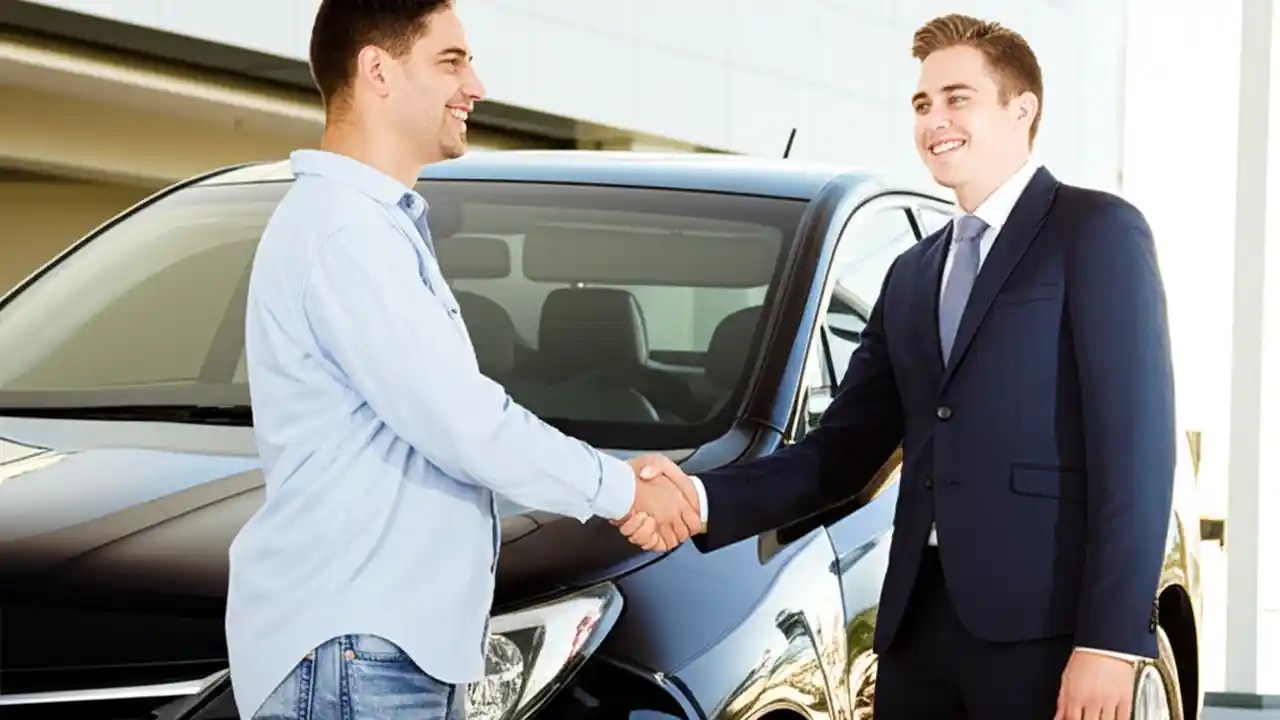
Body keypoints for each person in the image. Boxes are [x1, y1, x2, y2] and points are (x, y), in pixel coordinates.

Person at [621, 13, 1175, 720]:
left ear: (1022, 108)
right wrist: (698, 500)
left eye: (956, 98)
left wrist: (1112, 643)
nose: (933, 120)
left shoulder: (1094, 232)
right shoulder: (912, 274)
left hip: (1047, 629)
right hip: (918, 629)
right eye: (921, 104)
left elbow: (1136, 453)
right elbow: (840, 456)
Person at [226, 1, 697, 717]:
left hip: (381, 648)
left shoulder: (370, 225)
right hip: (358, 652)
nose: (475, 84)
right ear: (378, 71)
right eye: (451, 60)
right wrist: (624, 491)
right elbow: (463, 423)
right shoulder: (346, 233)